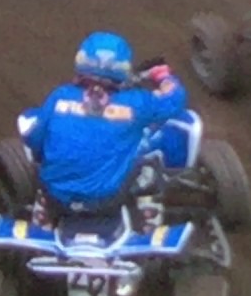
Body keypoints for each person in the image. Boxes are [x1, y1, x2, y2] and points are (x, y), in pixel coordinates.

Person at [18, 31, 188, 234]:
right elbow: (175, 100)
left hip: (57, 198)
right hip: (107, 200)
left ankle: (42, 219)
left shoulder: (59, 97)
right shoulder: (138, 102)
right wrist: (162, 75)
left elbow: (34, 141)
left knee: (43, 161)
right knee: (150, 159)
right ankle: (148, 226)